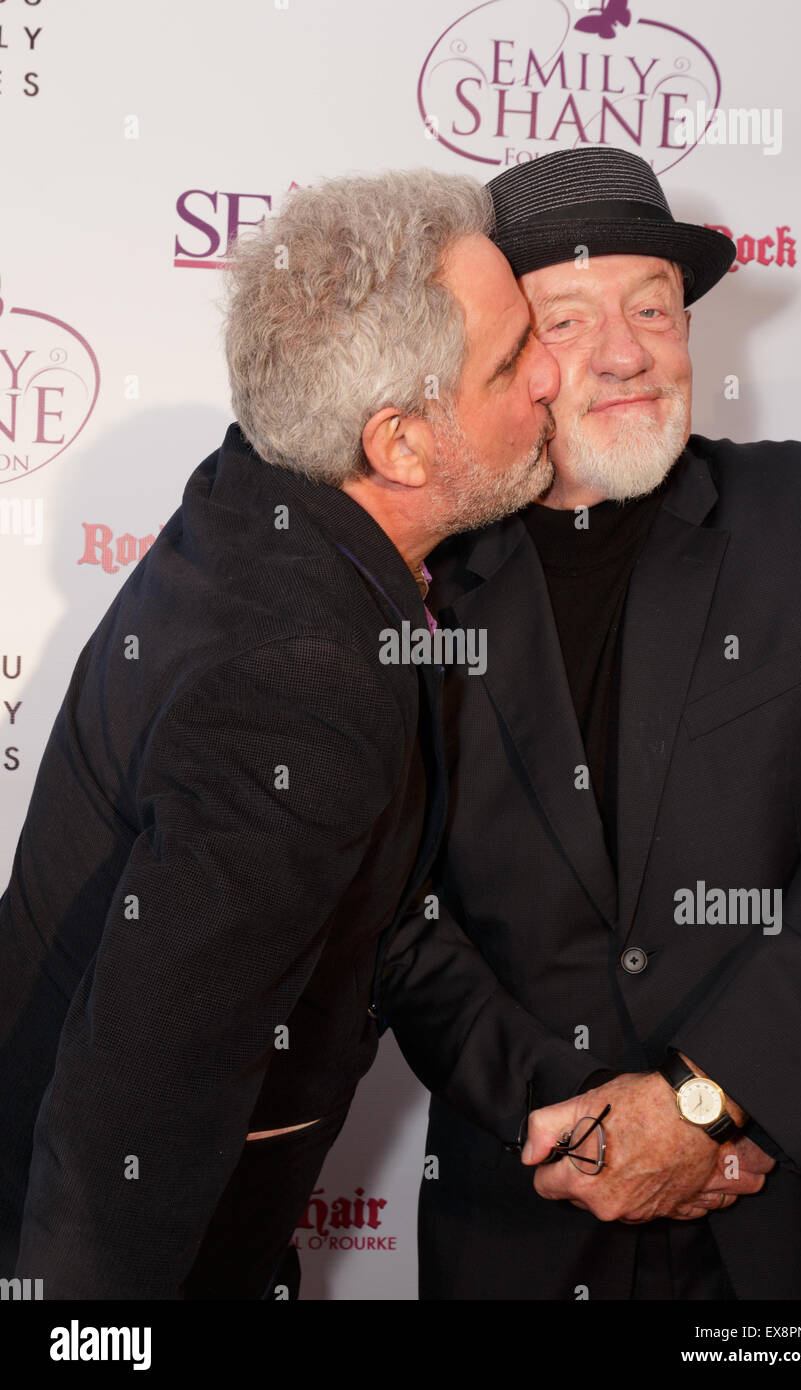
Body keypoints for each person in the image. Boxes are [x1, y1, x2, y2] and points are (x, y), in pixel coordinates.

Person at [0, 168, 559, 1299]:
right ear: (398, 443)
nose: (551, 371)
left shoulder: (261, 489)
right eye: (510, 359)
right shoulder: (300, 678)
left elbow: (368, 914)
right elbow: (132, 1115)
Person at [381, 146, 801, 1300]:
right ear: (496, 357)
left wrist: (706, 1101)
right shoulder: (416, 574)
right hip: (527, 1217)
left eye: (652, 305)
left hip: (778, 1215)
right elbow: (394, 914)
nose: (623, 350)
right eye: (565, 318)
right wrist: (590, 1135)